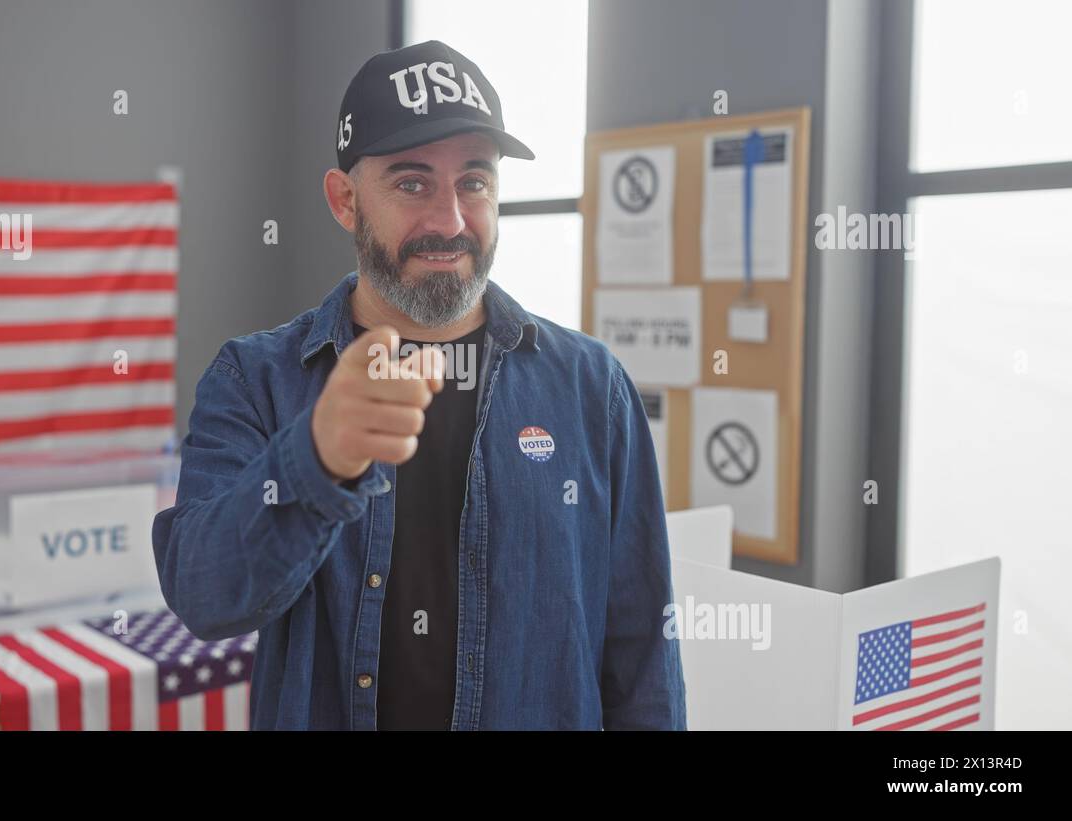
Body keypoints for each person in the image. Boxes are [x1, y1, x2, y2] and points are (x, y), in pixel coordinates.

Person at [152, 39, 686, 730]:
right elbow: (203, 593)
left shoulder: (592, 388)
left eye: (474, 181)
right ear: (345, 201)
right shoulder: (256, 379)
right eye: (411, 183)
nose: (450, 220)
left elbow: (643, 655)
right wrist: (316, 459)